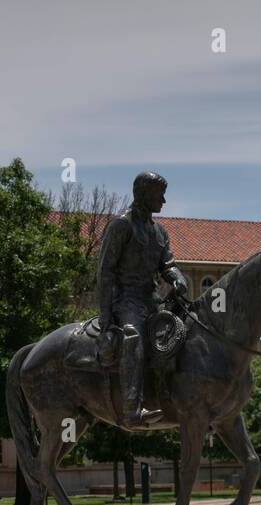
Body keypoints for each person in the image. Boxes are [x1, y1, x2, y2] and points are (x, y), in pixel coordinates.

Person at [95, 171, 190, 428]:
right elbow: (105, 273)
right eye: (160, 195)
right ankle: (131, 408)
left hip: (151, 299)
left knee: (183, 332)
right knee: (134, 337)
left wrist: (178, 278)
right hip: (126, 300)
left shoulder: (159, 232)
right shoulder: (121, 226)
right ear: (145, 194)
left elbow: (167, 264)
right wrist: (105, 321)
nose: (164, 201)